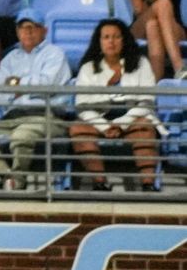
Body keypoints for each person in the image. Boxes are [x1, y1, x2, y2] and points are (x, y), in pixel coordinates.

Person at [0, 10, 73, 191]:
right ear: (17, 32)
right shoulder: (10, 58)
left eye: (32, 27)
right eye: (22, 27)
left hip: (46, 117)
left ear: (44, 30)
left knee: (21, 135)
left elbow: (47, 85)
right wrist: (24, 88)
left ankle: (17, 182)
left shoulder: (55, 54)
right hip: (11, 118)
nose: (27, 32)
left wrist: (16, 85)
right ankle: (3, 176)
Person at [67, 19, 165, 192]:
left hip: (133, 117)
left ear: (124, 40)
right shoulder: (88, 68)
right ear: (99, 41)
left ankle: (148, 184)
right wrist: (105, 127)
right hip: (99, 119)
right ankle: (100, 183)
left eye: (116, 37)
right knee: (77, 129)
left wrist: (121, 123)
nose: (111, 41)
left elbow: (147, 101)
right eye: (106, 37)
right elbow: (82, 106)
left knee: (144, 126)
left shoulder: (141, 63)